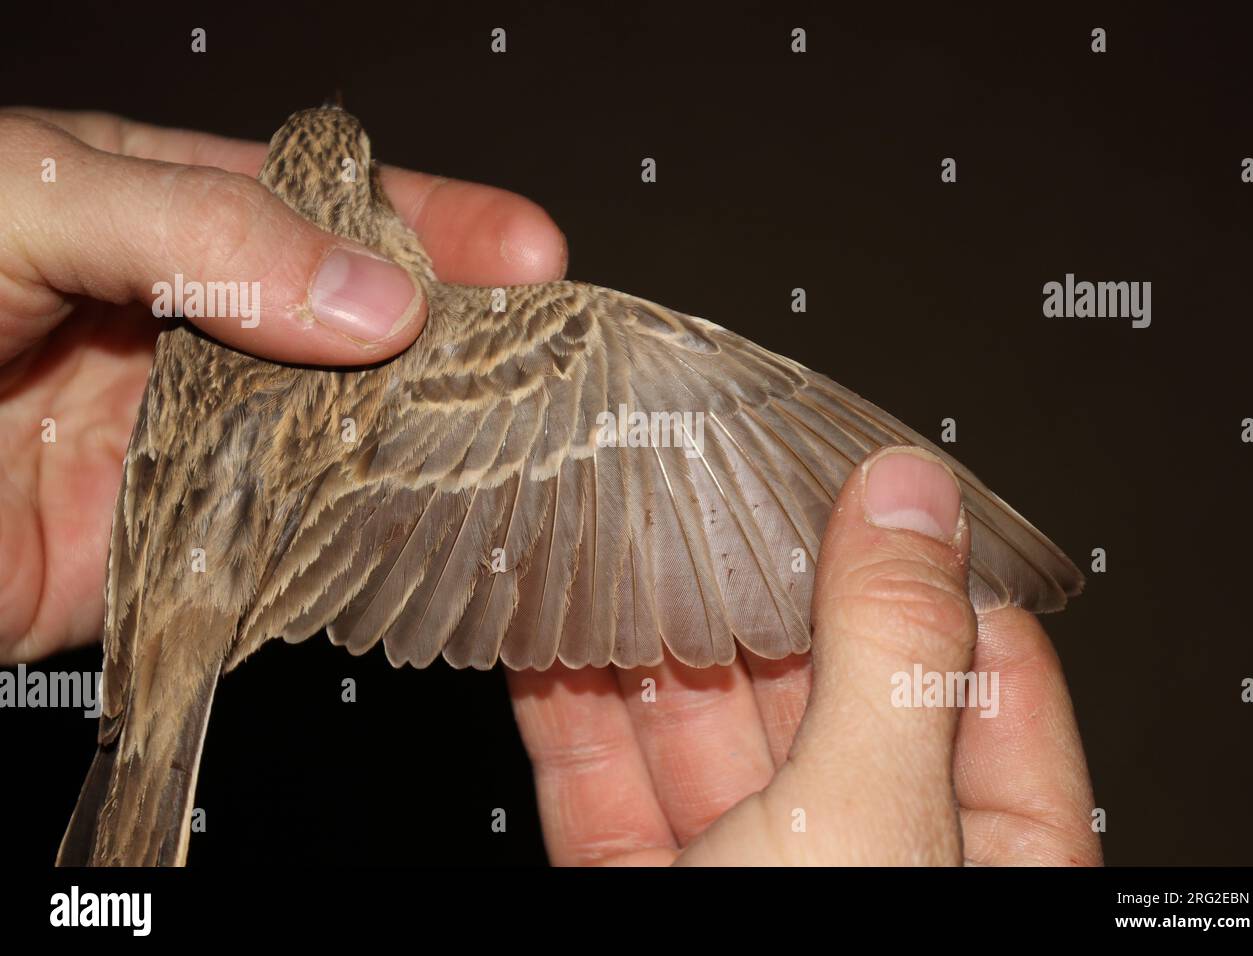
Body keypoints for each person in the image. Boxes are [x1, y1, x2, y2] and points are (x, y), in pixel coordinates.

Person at [0, 108, 1101, 866]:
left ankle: (134, 770)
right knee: (612, 335)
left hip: (146, 597)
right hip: (185, 598)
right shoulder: (468, 345)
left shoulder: (189, 322)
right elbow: (680, 404)